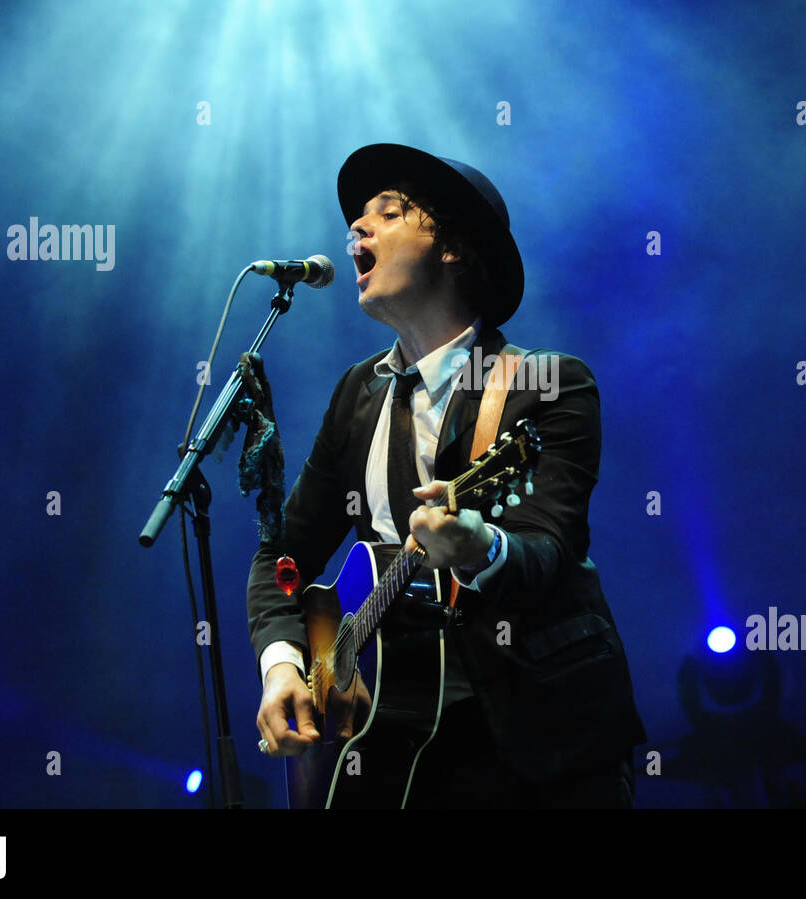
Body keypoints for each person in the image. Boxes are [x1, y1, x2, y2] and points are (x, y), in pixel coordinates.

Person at [247, 143, 645, 807]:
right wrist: (286, 663)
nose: (357, 229)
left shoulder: (548, 385)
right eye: (356, 220)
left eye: (389, 211)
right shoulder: (357, 393)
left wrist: (480, 547)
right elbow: (279, 557)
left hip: (538, 746)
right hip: (392, 749)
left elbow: (546, 547)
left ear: (455, 246)